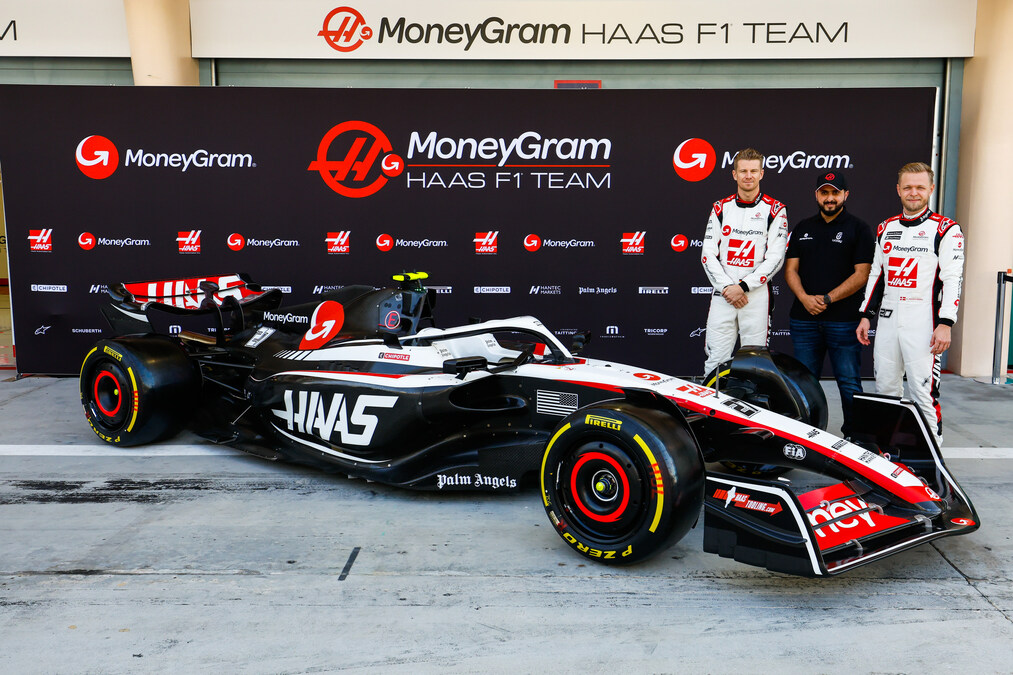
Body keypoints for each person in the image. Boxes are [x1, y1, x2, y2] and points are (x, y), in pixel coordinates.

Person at [857, 163, 965, 447]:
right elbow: (876, 275)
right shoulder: (886, 227)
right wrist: (866, 316)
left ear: (930, 189)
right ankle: (887, 453)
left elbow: (953, 279)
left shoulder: (946, 229)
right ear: (898, 190)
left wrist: (946, 323)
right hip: (889, 318)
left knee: (922, 390)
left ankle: (932, 460)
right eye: (907, 187)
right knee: (885, 389)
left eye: (919, 187)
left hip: (925, 321)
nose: (913, 193)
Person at [784, 171, 874, 437]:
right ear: (817, 195)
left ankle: (856, 437)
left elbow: (862, 274)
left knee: (849, 382)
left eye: (835, 192)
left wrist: (827, 299)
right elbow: (790, 270)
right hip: (804, 319)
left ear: (846, 195)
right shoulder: (803, 227)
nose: (830, 198)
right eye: (825, 193)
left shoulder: (859, 228)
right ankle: (806, 435)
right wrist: (804, 298)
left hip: (844, 320)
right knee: (804, 382)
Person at [701, 147, 789, 377]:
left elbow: (776, 258)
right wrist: (728, 288)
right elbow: (707, 253)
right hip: (724, 295)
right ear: (734, 174)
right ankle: (712, 411)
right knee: (716, 359)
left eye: (753, 171)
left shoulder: (775, 209)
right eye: (743, 171)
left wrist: (742, 288)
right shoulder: (720, 208)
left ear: (761, 173)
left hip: (756, 296)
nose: (748, 176)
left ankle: (751, 411)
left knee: (754, 362)